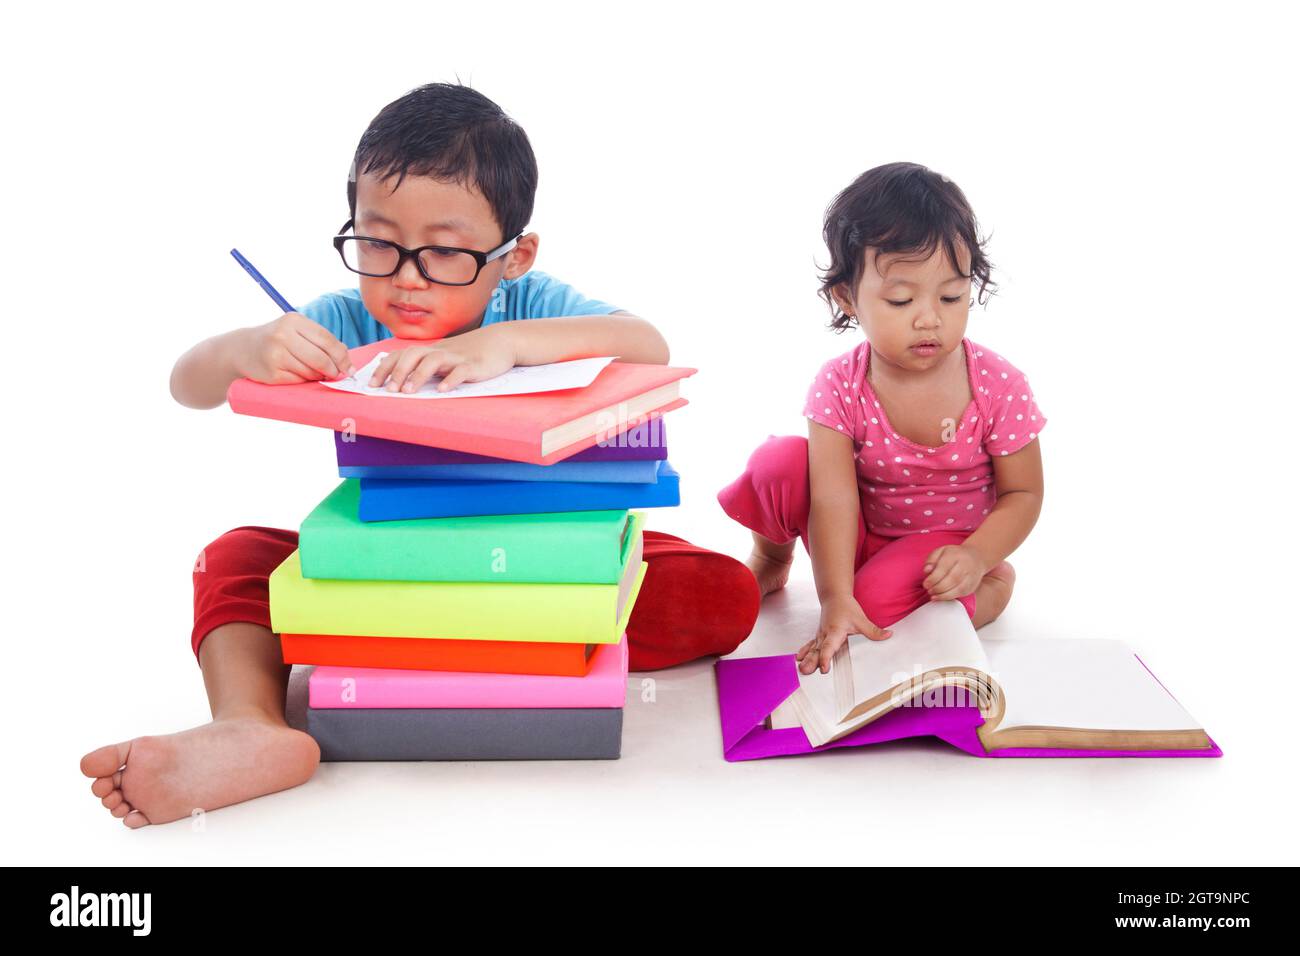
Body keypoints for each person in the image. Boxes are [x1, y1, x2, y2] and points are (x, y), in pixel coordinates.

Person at [80, 82, 669, 827]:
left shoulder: (528, 306)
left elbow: (649, 345)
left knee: (687, 578)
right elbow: (186, 386)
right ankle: (252, 722)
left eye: (447, 253)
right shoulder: (340, 319)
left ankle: (481, 655)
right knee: (233, 559)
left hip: (531, 561)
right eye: (379, 243)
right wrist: (246, 348)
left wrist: (505, 344)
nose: (406, 277)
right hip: (376, 561)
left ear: (513, 256)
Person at [717, 162, 1045, 676]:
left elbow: (1023, 494)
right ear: (847, 298)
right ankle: (773, 561)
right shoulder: (839, 384)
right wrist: (832, 596)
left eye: (952, 296)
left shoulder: (997, 385)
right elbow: (832, 498)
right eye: (900, 299)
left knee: (873, 607)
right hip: (858, 533)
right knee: (776, 462)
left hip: (945, 551)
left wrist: (979, 555)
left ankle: (989, 589)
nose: (929, 317)